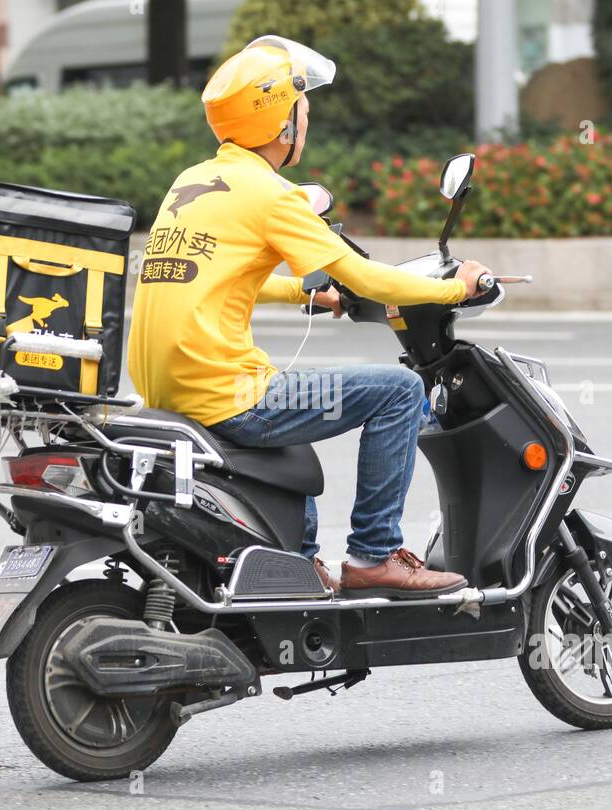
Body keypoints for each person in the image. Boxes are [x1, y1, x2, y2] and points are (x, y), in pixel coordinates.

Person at [126, 35, 489, 598]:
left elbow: (221, 276)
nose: (306, 122)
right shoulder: (273, 195)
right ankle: (373, 556)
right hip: (229, 396)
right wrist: (451, 289)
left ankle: (301, 562)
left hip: (167, 388)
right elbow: (364, 277)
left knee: (299, 394)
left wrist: (306, 294)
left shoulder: (193, 185)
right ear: (282, 125)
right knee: (395, 389)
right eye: (303, 111)